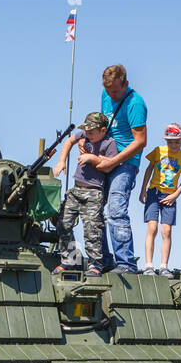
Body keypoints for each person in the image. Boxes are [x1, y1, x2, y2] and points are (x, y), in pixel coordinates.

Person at [87, 65, 148, 273]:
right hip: (104, 157)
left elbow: (140, 141)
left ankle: (126, 264)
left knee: (116, 209)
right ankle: (104, 259)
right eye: (108, 90)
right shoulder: (105, 94)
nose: (111, 95)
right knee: (93, 209)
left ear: (126, 84)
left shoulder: (136, 103)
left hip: (125, 163)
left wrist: (113, 162)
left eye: (115, 91)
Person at [53, 111, 117, 274]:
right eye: (86, 131)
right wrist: (61, 161)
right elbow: (69, 141)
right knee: (64, 224)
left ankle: (96, 264)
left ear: (103, 130)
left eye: (91, 132)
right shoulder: (85, 135)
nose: (87, 134)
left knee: (92, 229)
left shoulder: (109, 144)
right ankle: (71, 259)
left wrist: (91, 158)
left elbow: (109, 165)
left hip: (94, 192)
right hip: (76, 189)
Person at [138, 123, 181, 274]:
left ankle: (163, 266)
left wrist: (175, 195)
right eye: (170, 142)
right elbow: (149, 169)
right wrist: (143, 189)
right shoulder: (158, 152)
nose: (173, 145)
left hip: (170, 196)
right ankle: (149, 265)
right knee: (152, 228)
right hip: (153, 193)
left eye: (177, 142)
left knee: (166, 231)